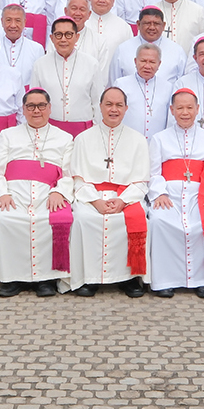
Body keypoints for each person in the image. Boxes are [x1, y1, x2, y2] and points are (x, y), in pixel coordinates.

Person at [0, 89, 76, 297]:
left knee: (49, 220)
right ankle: (11, 278)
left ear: (49, 108)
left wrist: (59, 193)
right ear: (23, 109)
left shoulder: (65, 138)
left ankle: (46, 279)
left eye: (41, 106)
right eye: (31, 106)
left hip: (47, 196)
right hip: (14, 194)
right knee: (2, 220)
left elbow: (69, 173)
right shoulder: (7, 135)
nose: (36, 111)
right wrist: (1, 193)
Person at [68, 87, 152, 297]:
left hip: (126, 196)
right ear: (100, 107)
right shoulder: (83, 138)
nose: (113, 109)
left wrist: (123, 201)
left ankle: (130, 278)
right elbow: (78, 179)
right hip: (91, 197)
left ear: (126, 108)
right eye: (109, 104)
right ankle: (88, 278)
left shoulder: (138, 140)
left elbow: (141, 182)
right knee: (83, 219)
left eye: (118, 105)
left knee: (136, 220)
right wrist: (95, 201)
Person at [147, 89, 204, 298]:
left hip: (199, 195)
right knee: (159, 221)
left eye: (189, 108)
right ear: (172, 110)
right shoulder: (159, 139)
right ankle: (165, 281)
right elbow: (153, 172)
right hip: (169, 196)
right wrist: (159, 194)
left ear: (197, 110)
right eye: (180, 108)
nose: (185, 113)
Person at [32, 17, 103, 137]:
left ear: (77, 37)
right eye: (58, 35)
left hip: (84, 131)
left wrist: (96, 130)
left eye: (69, 34)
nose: (63, 39)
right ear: (52, 38)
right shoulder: (40, 65)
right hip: (50, 131)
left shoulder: (92, 64)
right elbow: (34, 100)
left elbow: (98, 101)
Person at [110, 6, 185, 85]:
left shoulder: (177, 50)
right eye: (147, 23)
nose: (152, 27)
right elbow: (114, 82)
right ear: (138, 24)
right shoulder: (123, 49)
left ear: (163, 25)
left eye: (156, 24)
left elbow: (182, 83)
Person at [115, 43, 175, 138]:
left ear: (159, 64)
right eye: (143, 61)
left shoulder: (168, 87)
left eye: (152, 62)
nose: (147, 66)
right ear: (135, 61)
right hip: (128, 141)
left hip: (157, 143)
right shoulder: (121, 85)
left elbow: (171, 119)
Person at [79, 0, 132, 69]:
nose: (102, 0)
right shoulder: (81, 23)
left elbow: (128, 57)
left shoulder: (124, 27)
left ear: (113, 1)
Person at [0, 4, 45, 86]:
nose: (13, 25)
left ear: (24, 22)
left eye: (18, 20)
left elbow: (40, 80)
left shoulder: (36, 49)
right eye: (9, 20)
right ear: (2, 22)